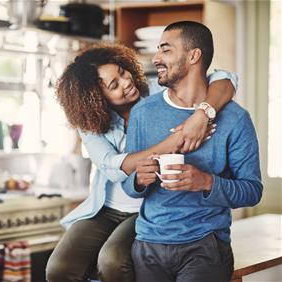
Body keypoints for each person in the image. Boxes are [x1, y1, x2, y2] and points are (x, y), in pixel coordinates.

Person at [46, 42, 238, 282]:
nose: (126, 83)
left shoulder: (161, 93)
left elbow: (224, 79)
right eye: (114, 85)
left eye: (122, 72)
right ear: (95, 100)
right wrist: (177, 139)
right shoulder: (90, 123)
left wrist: (202, 114)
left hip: (148, 208)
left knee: (112, 260)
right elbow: (114, 166)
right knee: (59, 269)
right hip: (106, 209)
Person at [122, 21, 263, 282]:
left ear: (194, 55)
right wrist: (138, 179)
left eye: (165, 50)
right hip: (148, 246)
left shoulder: (235, 119)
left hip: (205, 246)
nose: (156, 58)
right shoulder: (143, 113)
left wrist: (206, 182)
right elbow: (128, 185)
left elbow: (253, 191)